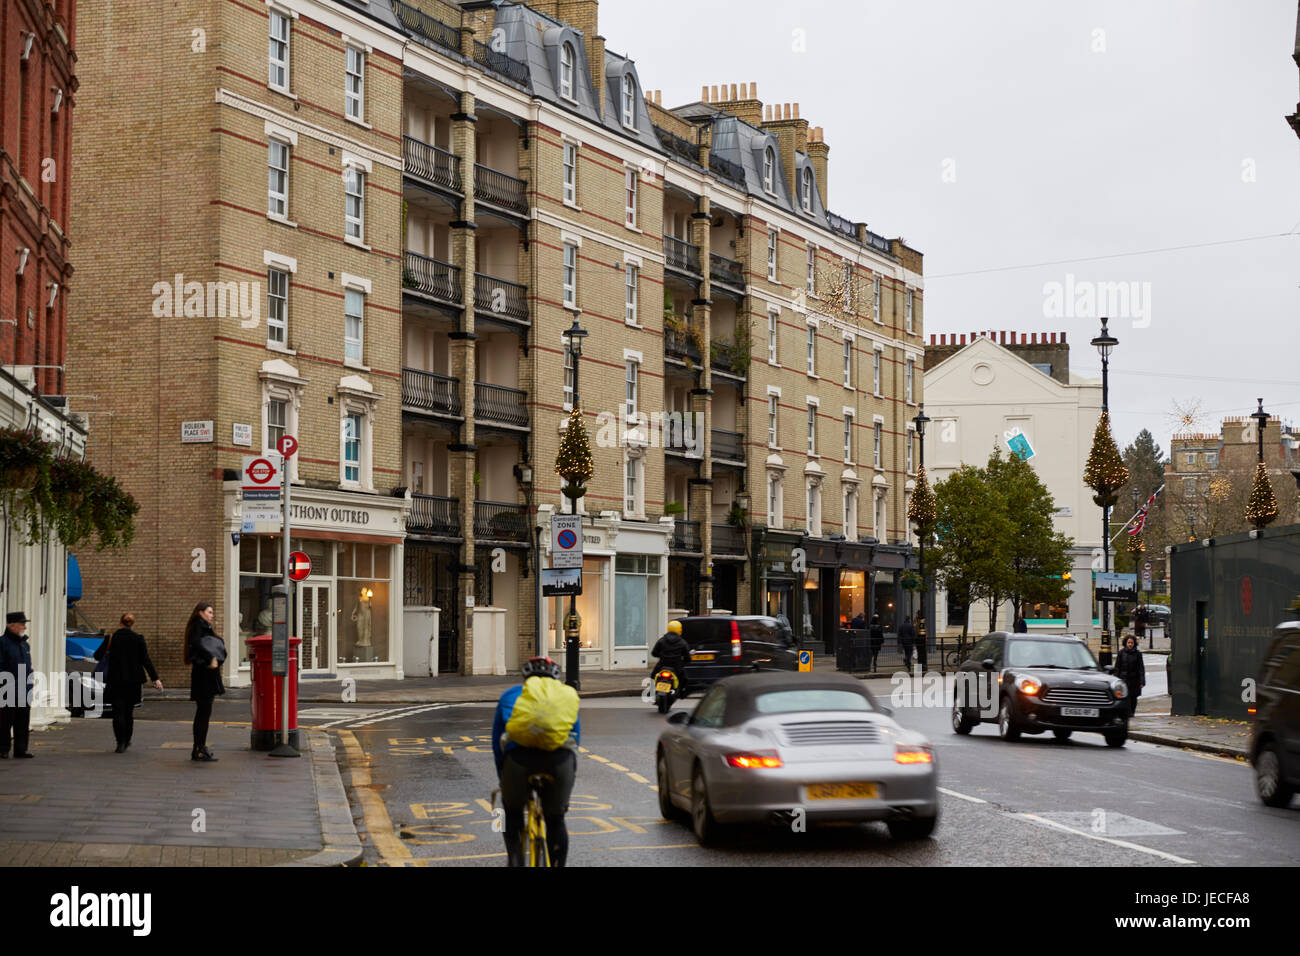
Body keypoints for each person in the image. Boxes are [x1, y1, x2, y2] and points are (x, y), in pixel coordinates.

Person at [492, 657, 580, 866]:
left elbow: (497, 744)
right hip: (559, 760)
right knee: (556, 819)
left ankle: (515, 859)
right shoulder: (567, 695)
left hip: (518, 760)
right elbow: (575, 740)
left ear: (526, 677)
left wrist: (503, 777)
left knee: (511, 812)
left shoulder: (511, 695)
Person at [95, 613, 162, 753]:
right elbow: (146, 660)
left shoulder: (111, 638)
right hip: (133, 682)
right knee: (128, 712)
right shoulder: (138, 639)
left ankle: (120, 742)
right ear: (133, 624)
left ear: (120, 622)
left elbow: (97, 656)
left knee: (117, 712)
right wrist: (155, 678)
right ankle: (127, 739)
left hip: (115, 681)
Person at [185, 603, 226, 762]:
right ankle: (199, 749)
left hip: (205, 674)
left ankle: (199, 748)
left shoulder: (201, 626)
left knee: (203, 713)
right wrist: (211, 658)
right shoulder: (198, 626)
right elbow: (196, 644)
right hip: (204, 675)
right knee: (203, 713)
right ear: (200, 612)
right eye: (209, 612)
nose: (212, 615)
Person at [0, 612, 34, 758]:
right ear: (12, 625)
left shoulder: (24, 645)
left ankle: (21, 749)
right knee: (4, 722)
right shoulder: (2, 643)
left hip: (23, 689)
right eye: (22, 624)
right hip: (8, 689)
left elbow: (28, 667)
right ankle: (3, 749)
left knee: (22, 721)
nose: (24, 627)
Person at [650, 619, 690, 696]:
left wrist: (661, 656)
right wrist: (685, 661)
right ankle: (681, 693)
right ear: (680, 630)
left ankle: (651, 691)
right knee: (684, 678)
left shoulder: (662, 640)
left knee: (653, 675)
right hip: (676, 666)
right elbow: (687, 657)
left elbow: (654, 653)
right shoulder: (682, 642)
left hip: (662, 664)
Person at [1114, 634, 1145, 717]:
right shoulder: (1121, 653)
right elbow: (1117, 667)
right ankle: (1126, 712)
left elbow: (1141, 668)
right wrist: (1116, 679)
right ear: (1125, 643)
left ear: (1134, 643)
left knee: (1133, 697)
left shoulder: (1138, 654)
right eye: (1129, 643)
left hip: (1134, 679)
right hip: (1123, 679)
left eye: (1132, 643)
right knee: (1124, 697)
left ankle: (1132, 712)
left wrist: (1142, 681)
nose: (1130, 644)